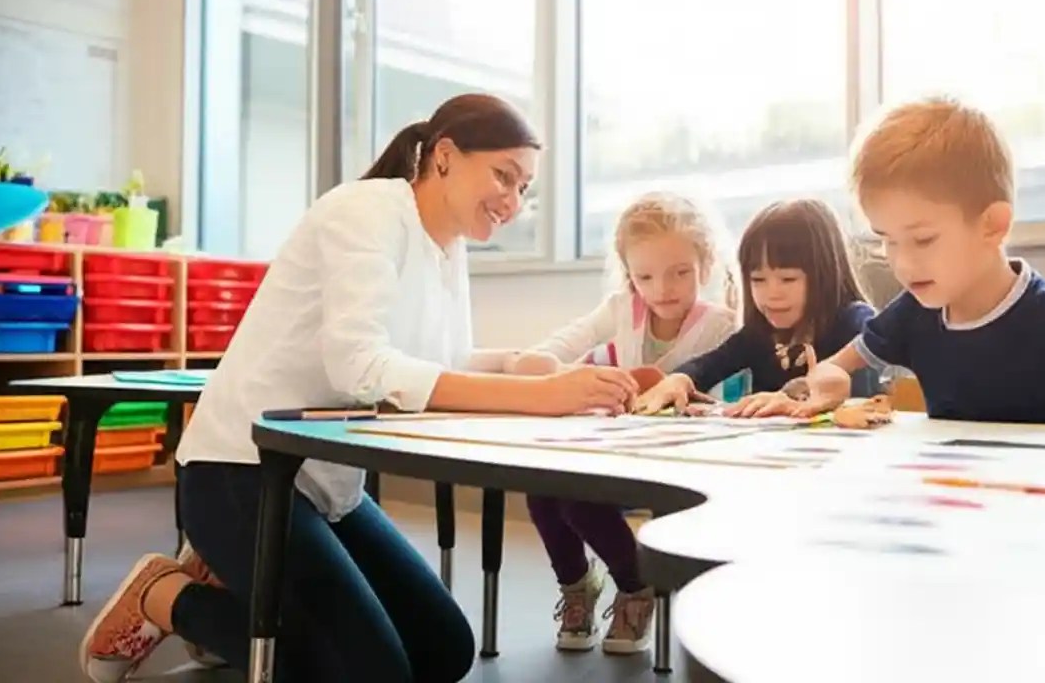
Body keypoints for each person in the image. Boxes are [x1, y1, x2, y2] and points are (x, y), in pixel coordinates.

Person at [78, 93, 639, 683]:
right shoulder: (366, 212)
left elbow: (439, 364)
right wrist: (543, 397)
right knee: (369, 674)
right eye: (504, 176)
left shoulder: (447, 245)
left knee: (444, 650)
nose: (514, 201)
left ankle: (247, 605)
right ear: (444, 156)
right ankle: (168, 596)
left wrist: (535, 368)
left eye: (525, 188)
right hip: (240, 470)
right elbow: (361, 367)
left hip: (325, 485)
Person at [769, 97, 1045, 450]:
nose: (902, 263)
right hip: (955, 506)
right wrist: (828, 381)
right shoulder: (914, 313)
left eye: (923, 239)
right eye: (887, 239)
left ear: (992, 225)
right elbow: (837, 365)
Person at [507, 191, 739, 654]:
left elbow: (730, 404)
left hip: (679, 466)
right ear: (628, 275)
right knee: (541, 490)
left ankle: (636, 588)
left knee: (579, 504)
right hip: (617, 455)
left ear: (705, 266)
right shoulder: (619, 310)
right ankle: (578, 587)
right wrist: (545, 369)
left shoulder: (721, 325)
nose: (663, 288)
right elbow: (552, 349)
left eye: (680, 273)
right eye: (645, 276)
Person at [636, 198, 879, 415]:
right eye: (758, 280)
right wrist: (680, 379)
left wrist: (789, 398)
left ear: (825, 275)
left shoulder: (854, 322)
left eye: (788, 279)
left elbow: (858, 397)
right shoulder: (759, 335)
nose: (772, 294)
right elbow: (709, 364)